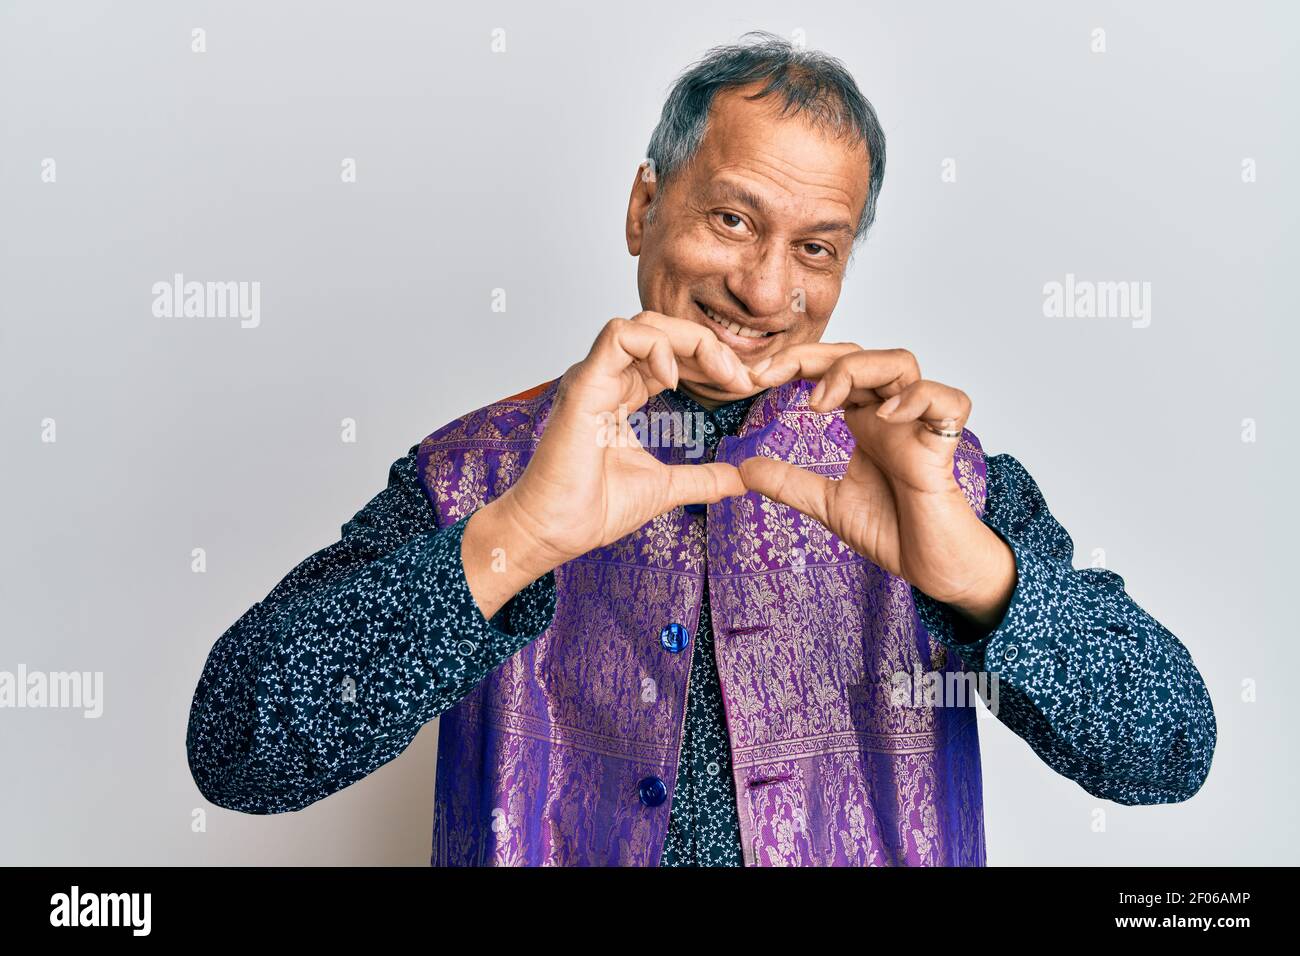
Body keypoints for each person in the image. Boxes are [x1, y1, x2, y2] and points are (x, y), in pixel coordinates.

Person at [185, 33, 1216, 866]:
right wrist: (514, 539)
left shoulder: (936, 472)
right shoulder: (475, 470)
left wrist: (976, 574)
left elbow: (1169, 751)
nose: (768, 291)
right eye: (731, 218)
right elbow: (237, 752)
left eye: (816, 246)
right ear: (644, 208)